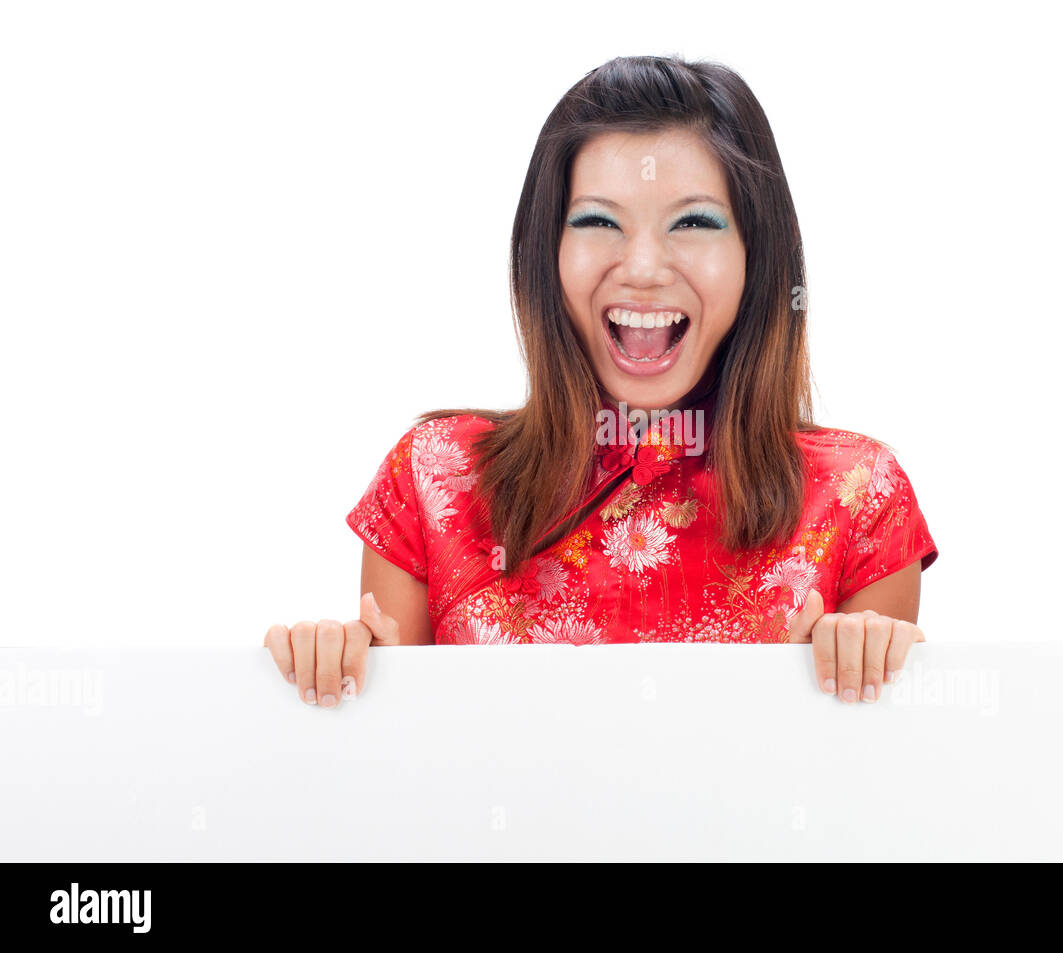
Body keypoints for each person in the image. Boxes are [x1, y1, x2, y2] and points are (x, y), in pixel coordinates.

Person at [264, 55, 938, 709]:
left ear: (756, 258)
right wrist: (335, 680)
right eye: (597, 221)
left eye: (694, 222)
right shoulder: (434, 479)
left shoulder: (858, 498)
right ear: (545, 251)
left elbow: (855, 804)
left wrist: (838, 686)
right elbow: (399, 785)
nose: (642, 267)